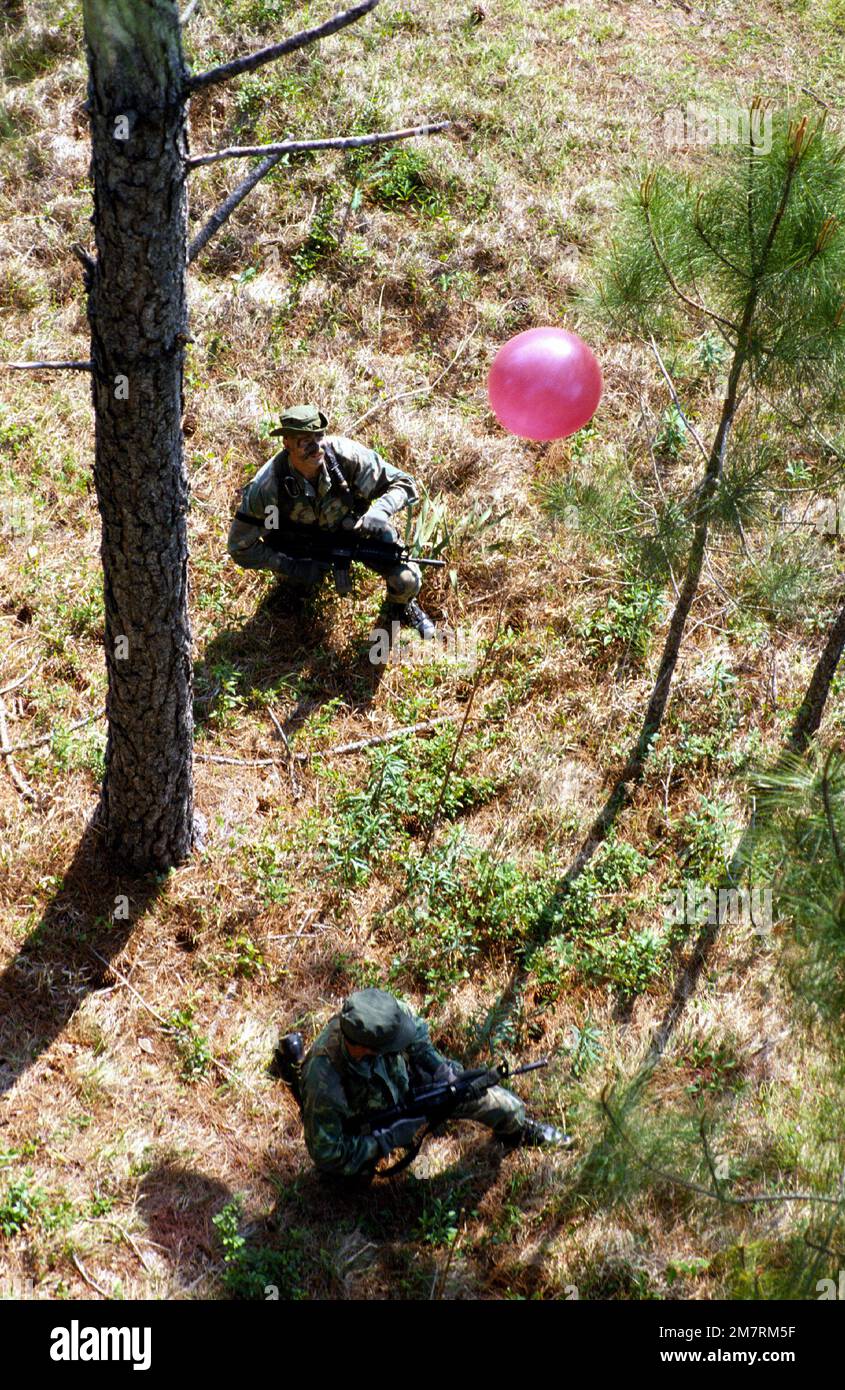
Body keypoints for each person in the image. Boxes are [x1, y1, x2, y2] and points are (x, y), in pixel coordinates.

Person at [298, 988, 571, 1180]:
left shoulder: (386, 1018)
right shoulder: (324, 1081)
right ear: (367, 1048)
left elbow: (416, 1035)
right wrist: (385, 1141)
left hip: (410, 1085)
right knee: (349, 1181)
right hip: (368, 1122)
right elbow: (327, 1154)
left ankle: (518, 1131)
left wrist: (440, 1072)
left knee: (507, 1107)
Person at [227, 404, 435, 638]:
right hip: (301, 550)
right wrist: (290, 566)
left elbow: (404, 483)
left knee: (407, 579)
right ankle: (294, 591)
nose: (316, 447)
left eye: (319, 436)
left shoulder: (345, 457)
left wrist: (381, 511)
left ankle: (400, 607)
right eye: (305, 441)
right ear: (286, 443)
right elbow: (240, 547)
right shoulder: (268, 486)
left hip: (354, 534)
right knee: (296, 590)